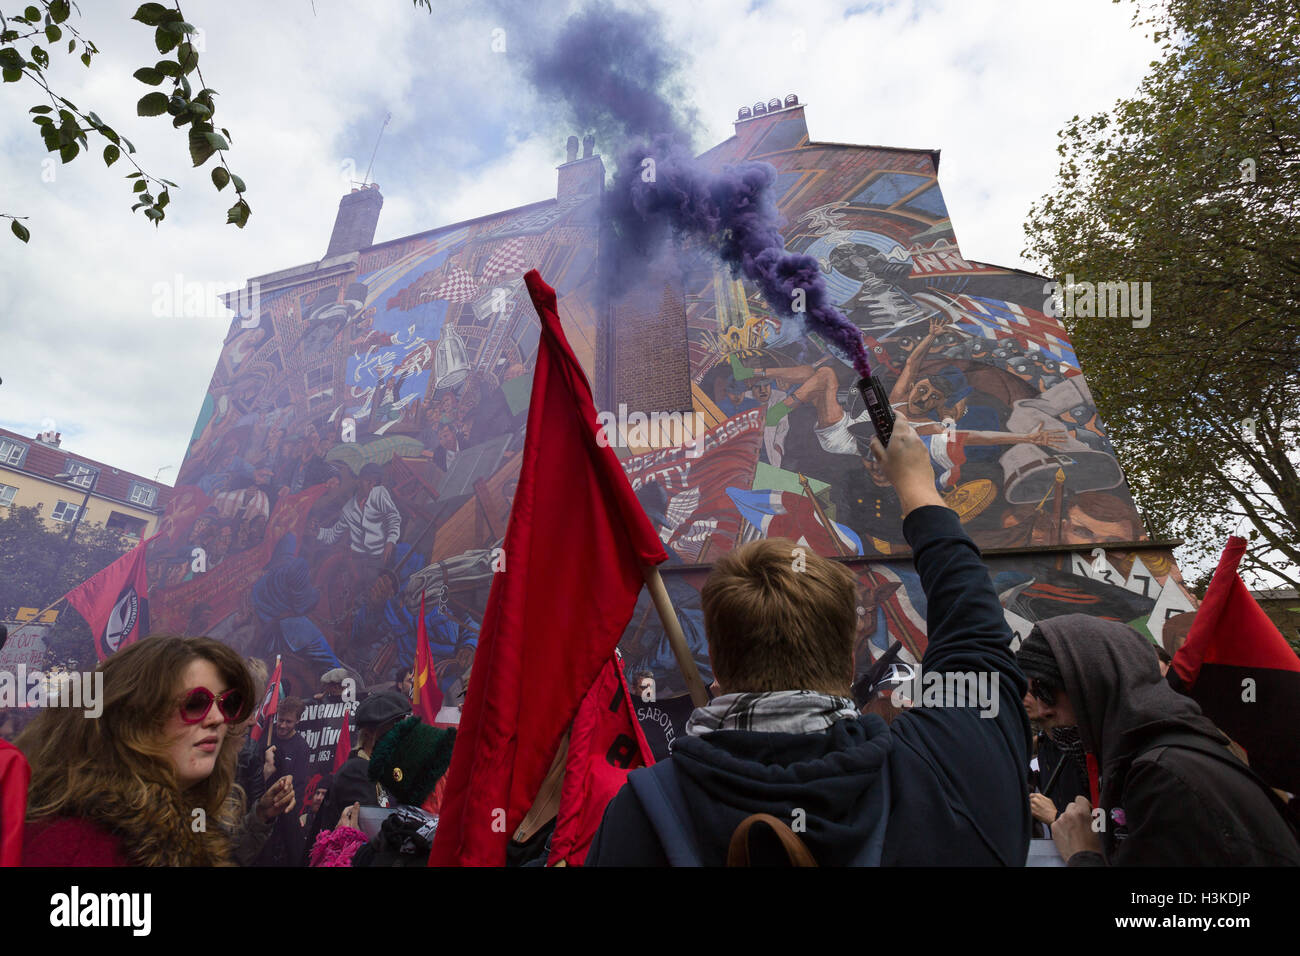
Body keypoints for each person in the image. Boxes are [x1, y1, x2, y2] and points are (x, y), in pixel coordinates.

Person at [587, 418, 1030, 866]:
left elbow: (975, 635)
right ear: (849, 660)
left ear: (715, 669)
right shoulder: (951, 771)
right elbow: (975, 633)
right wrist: (918, 488)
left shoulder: (638, 818)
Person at [1016, 618, 1300, 865]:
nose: (1042, 710)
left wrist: (1084, 855)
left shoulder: (1164, 775)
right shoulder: (1148, 761)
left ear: (1097, 680)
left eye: (1047, 690)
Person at [17, 635, 254, 866]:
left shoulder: (197, 827)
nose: (217, 718)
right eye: (194, 704)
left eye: (228, 704)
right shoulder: (72, 849)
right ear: (128, 719)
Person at [305, 690, 411, 860]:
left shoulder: (385, 772)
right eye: (394, 727)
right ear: (370, 733)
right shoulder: (356, 772)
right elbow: (373, 832)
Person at [252, 697, 310, 866]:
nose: (283, 725)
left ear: (298, 720)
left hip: (282, 815)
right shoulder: (265, 738)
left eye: (288, 721)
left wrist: (291, 812)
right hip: (259, 809)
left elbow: (299, 786)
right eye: (280, 719)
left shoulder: (301, 747)